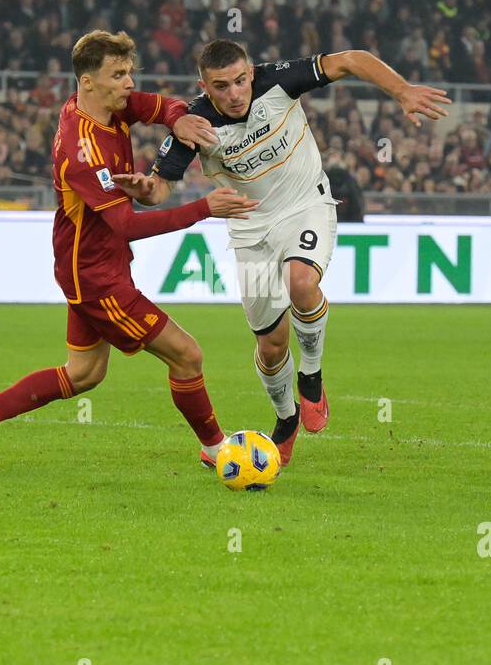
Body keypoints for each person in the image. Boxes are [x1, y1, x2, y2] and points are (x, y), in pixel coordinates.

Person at [0, 30, 258, 472]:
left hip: (90, 265)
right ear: (87, 82)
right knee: (187, 354)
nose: (130, 83)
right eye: (118, 74)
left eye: (130, 72)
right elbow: (126, 225)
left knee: (84, 373)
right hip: (95, 274)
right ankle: (216, 449)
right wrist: (204, 209)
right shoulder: (81, 150)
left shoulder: (111, 104)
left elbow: (159, 104)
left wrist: (180, 117)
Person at [120, 40, 449, 465]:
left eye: (241, 80)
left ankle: (311, 376)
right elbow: (161, 185)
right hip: (249, 231)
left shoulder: (279, 81)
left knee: (301, 282)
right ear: (204, 86)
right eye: (222, 86)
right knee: (272, 346)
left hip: (305, 206)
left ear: (252, 72)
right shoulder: (194, 123)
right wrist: (147, 191)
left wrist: (401, 90)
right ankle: (286, 417)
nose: (235, 93)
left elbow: (350, 59)